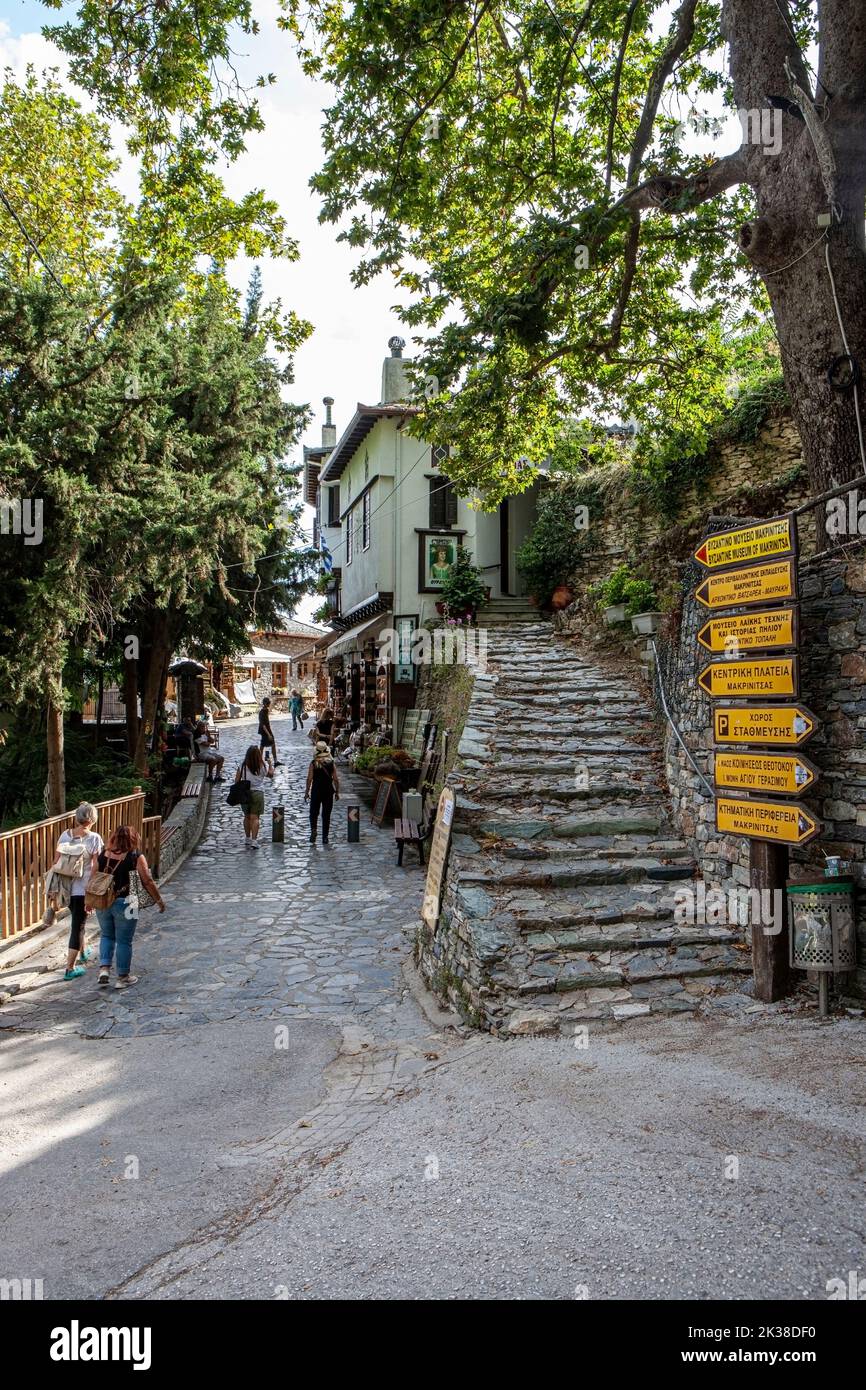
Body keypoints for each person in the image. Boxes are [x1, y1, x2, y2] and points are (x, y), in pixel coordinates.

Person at [95, 826, 164, 989]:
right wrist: (159, 900)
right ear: (134, 839)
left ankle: (104, 969)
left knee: (106, 935)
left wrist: (88, 900)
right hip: (129, 901)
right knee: (124, 941)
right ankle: (122, 977)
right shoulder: (135, 856)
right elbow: (147, 880)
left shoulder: (103, 854)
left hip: (104, 901)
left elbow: (93, 877)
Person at [50, 803, 103, 981]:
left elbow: (56, 863)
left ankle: (83, 952)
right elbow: (96, 866)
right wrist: (93, 890)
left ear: (77, 817)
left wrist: (53, 889)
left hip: (66, 889)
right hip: (83, 889)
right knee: (77, 926)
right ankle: (70, 968)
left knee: (78, 920)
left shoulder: (64, 835)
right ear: (93, 819)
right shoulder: (94, 838)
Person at [234, 744, 274, 849]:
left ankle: (247, 838)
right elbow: (270, 775)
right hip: (258, 793)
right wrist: (270, 764)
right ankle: (254, 841)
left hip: (245, 793)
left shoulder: (242, 765)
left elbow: (236, 781)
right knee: (255, 817)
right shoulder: (262, 765)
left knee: (247, 817)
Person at [305, 740, 340, 845]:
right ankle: (325, 837)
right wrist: (337, 791)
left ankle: (314, 830)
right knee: (326, 815)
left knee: (313, 812)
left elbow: (309, 779)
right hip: (328, 790)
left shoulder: (313, 763)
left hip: (316, 790)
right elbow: (336, 779)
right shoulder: (331, 763)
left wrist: (307, 791)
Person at [258, 697, 282, 768]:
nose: (269, 704)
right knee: (262, 746)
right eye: (268, 703)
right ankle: (260, 761)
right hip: (265, 731)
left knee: (269, 745)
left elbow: (270, 709)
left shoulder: (266, 710)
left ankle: (274, 761)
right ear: (265, 703)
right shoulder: (262, 712)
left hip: (267, 730)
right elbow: (263, 725)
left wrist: (274, 701)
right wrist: (268, 734)